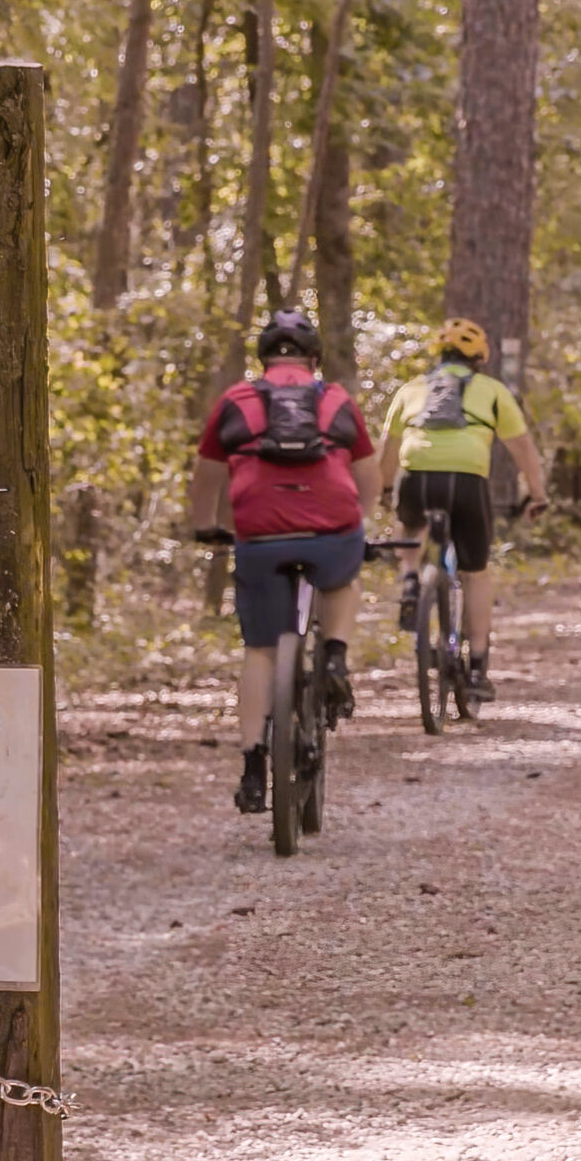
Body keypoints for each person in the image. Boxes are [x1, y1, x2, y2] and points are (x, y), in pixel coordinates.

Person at [188, 311, 380, 815]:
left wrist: (205, 526)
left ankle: (253, 764)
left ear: (264, 357)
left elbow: (207, 478)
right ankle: (335, 654)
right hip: (330, 533)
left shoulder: (236, 400)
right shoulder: (336, 399)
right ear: (314, 359)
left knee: (259, 651)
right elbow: (369, 474)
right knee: (344, 575)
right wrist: (358, 522)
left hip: (261, 535)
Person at [378, 318, 550, 703]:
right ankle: (477, 668)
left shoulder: (412, 388)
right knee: (475, 572)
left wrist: (387, 488)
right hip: (467, 481)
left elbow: (388, 449)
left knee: (409, 527)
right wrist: (536, 494)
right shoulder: (491, 390)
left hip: (417, 476)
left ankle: (409, 580)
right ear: (479, 359)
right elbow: (522, 447)